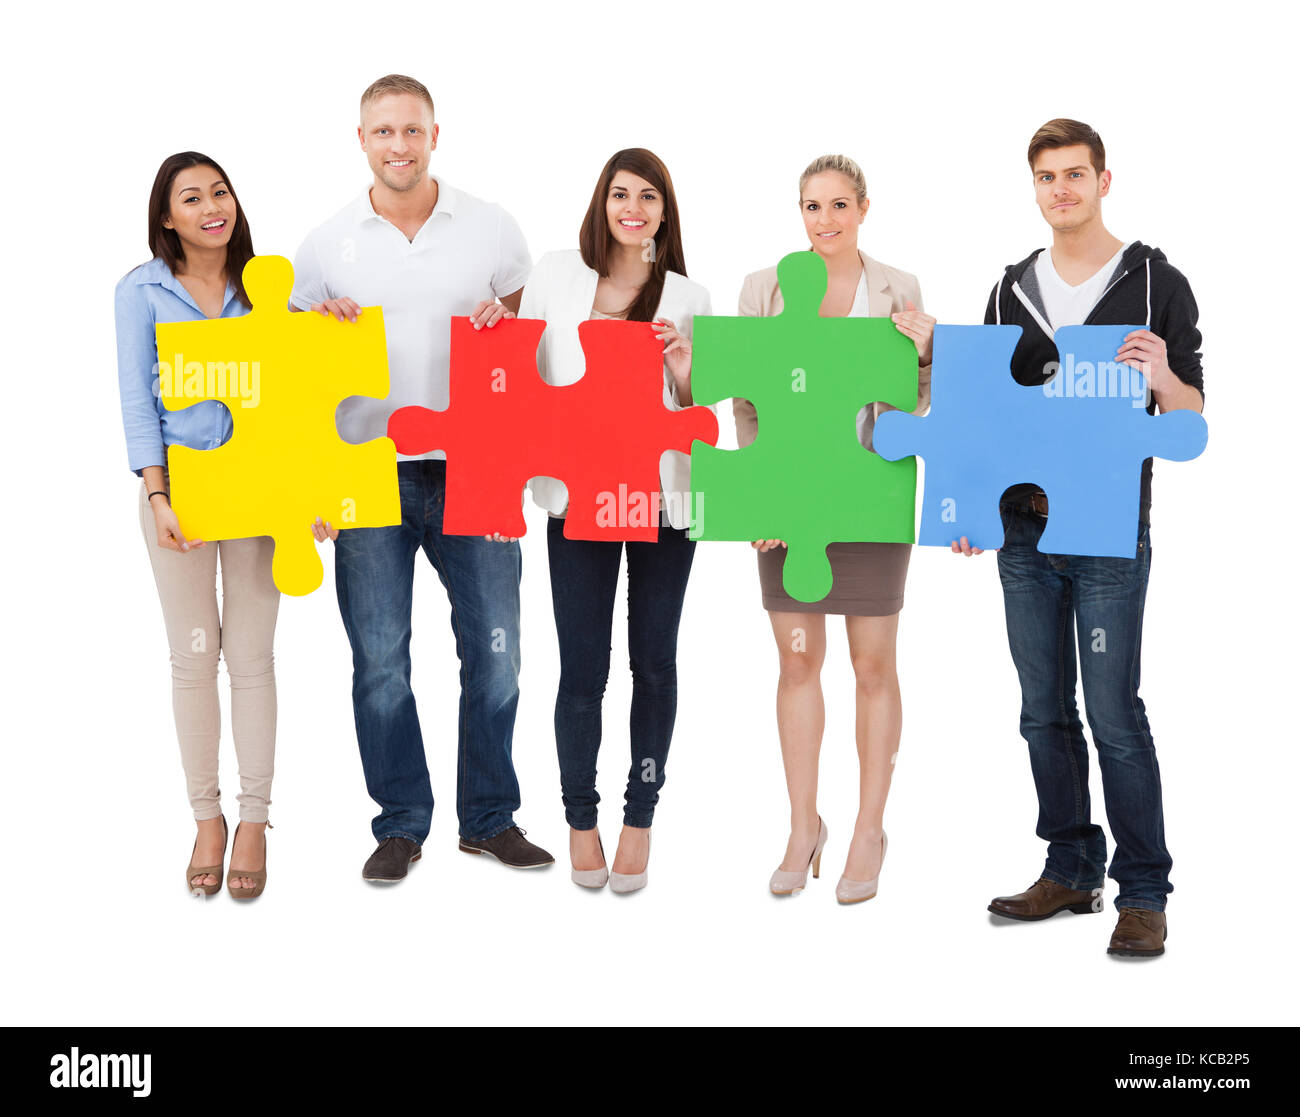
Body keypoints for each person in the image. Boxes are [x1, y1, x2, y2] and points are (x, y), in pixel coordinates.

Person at [291, 73, 553, 882]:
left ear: (435, 134)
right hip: (368, 472)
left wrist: (503, 320)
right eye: (383, 132)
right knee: (379, 661)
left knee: (497, 654)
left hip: (476, 461)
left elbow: (532, 343)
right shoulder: (325, 244)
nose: (398, 145)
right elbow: (301, 374)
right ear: (361, 141)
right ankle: (401, 822)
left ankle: (489, 818)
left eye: (412, 130)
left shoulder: (491, 227)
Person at [958, 119, 1204, 957]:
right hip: (1024, 533)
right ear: (1034, 189)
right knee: (1040, 711)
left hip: (1105, 531)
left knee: (1113, 711)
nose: (1060, 189)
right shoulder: (1006, 288)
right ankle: (1069, 867)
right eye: (1046, 177)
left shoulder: (1154, 282)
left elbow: (1189, 418)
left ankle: (1143, 892)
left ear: (1104, 180)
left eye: (1074, 174)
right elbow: (984, 416)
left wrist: (1164, 374)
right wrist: (972, 511)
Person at [482, 148, 710, 893]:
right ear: (601, 203)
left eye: (648, 196)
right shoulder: (555, 275)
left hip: (665, 505)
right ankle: (581, 817)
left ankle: (639, 815)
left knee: (655, 661)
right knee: (583, 668)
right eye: (620, 194)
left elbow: (705, 413)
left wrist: (680, 366)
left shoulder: (689, 293)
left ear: (665, 213)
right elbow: (525, 376)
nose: (633, 208)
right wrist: (496, 319)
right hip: (577, 497)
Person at [734, 154, 935, 903]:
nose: (825, 220)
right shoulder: (764, 289)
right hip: (788, 502)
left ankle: (870, 828)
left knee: (873, 663)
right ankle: (801, 824)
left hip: (872, 494)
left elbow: (918, 400)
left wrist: (925, 349)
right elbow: (747, 402)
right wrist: (760, 496)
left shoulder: (898, 288)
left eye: (839, 205)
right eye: (812, 207)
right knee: (796, 663)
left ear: (864, 208)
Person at [115, 152, 282, 900]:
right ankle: (206, 817)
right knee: (193, 656)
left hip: (255, 490)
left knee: (250, 657)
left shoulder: (268, 289)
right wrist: (158, 497)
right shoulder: (140, 292)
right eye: (192, 197)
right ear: (166, 217)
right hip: (178, 493)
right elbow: (136, 401)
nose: (213, 205)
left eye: (221, 191)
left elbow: (296, 393)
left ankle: (254, 817)